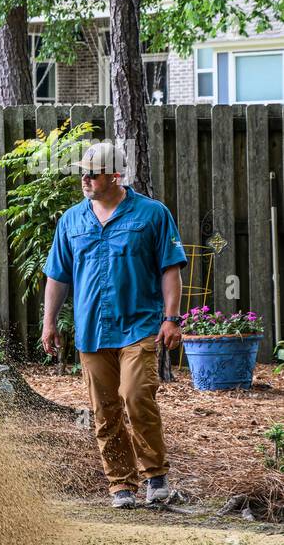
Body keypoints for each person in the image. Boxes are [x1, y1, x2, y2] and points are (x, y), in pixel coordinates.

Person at [41, 141, 187, 509]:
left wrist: (172, 319)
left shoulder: (152, 215)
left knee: (136, 396)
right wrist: (49, 322)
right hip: (92, 330)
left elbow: (170, 268)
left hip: (139, 327)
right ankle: (121, 484)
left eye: (94, 174)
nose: (86, 179)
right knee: (105, 410)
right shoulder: (71, 220)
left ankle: (155, 474)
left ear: (116, 175)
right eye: (83, 173)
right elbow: (58, 277)